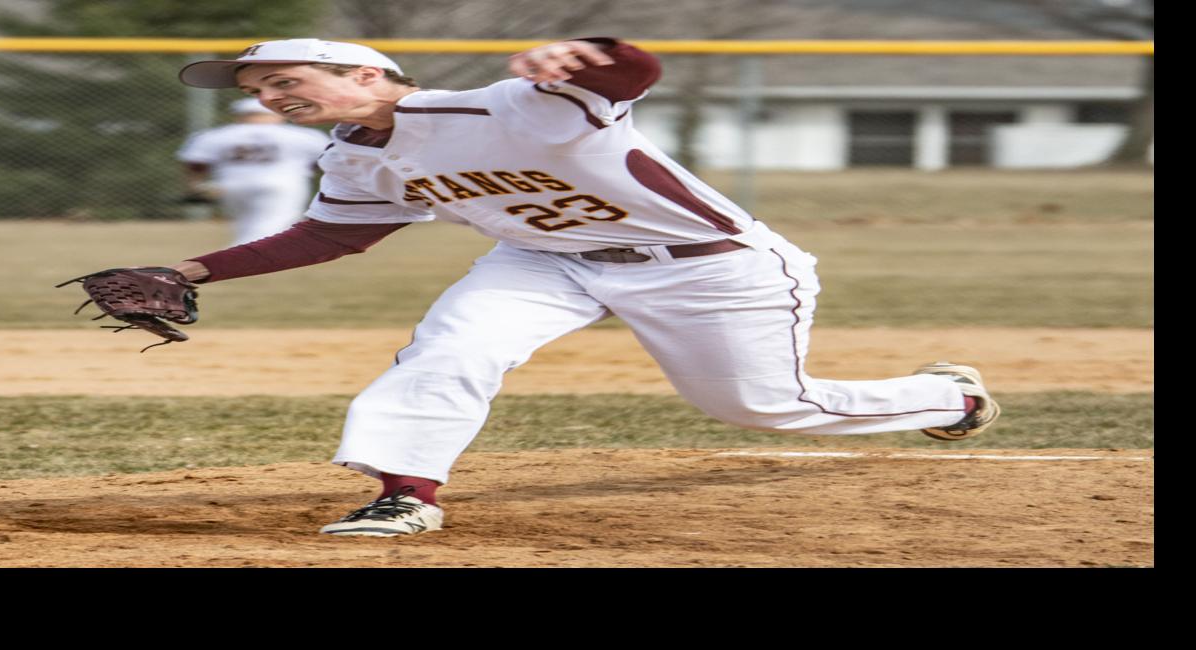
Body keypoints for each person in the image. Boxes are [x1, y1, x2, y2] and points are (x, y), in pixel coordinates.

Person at [165, 37, 1000, 537]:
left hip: (704, 264)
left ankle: (944, 400)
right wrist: (188, 271)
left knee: (763, 407)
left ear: (365, 74)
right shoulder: (352, 155)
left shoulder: (512, 105)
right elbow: (335, 234)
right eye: (259, 93)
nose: (272, 99)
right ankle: (403, 494)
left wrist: (588, 49)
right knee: (454, 344)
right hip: (543, 262)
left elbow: (630, 75)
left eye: (283, 81)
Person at [176, 97, 331, 245]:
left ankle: (244, 258)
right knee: (272, 225)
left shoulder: (214, 135)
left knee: (245, 223)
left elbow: (196, 164)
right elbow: (326, 161)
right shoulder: (304, 135)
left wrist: (194, 186)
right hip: (283, 183)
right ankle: (236, 260)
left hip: (229, 185)